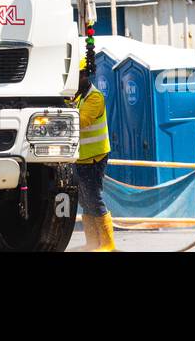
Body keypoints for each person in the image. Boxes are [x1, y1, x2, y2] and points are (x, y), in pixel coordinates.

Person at [73, 54, 116, 251]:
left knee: (93, 197)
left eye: (77, 76)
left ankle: (107, 243)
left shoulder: (95, 97)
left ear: (85, 76)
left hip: (94, 158)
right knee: (84, 200)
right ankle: (92, 242)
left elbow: (81, 121)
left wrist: (64, 107)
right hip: (81, 158)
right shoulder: (79, 97)